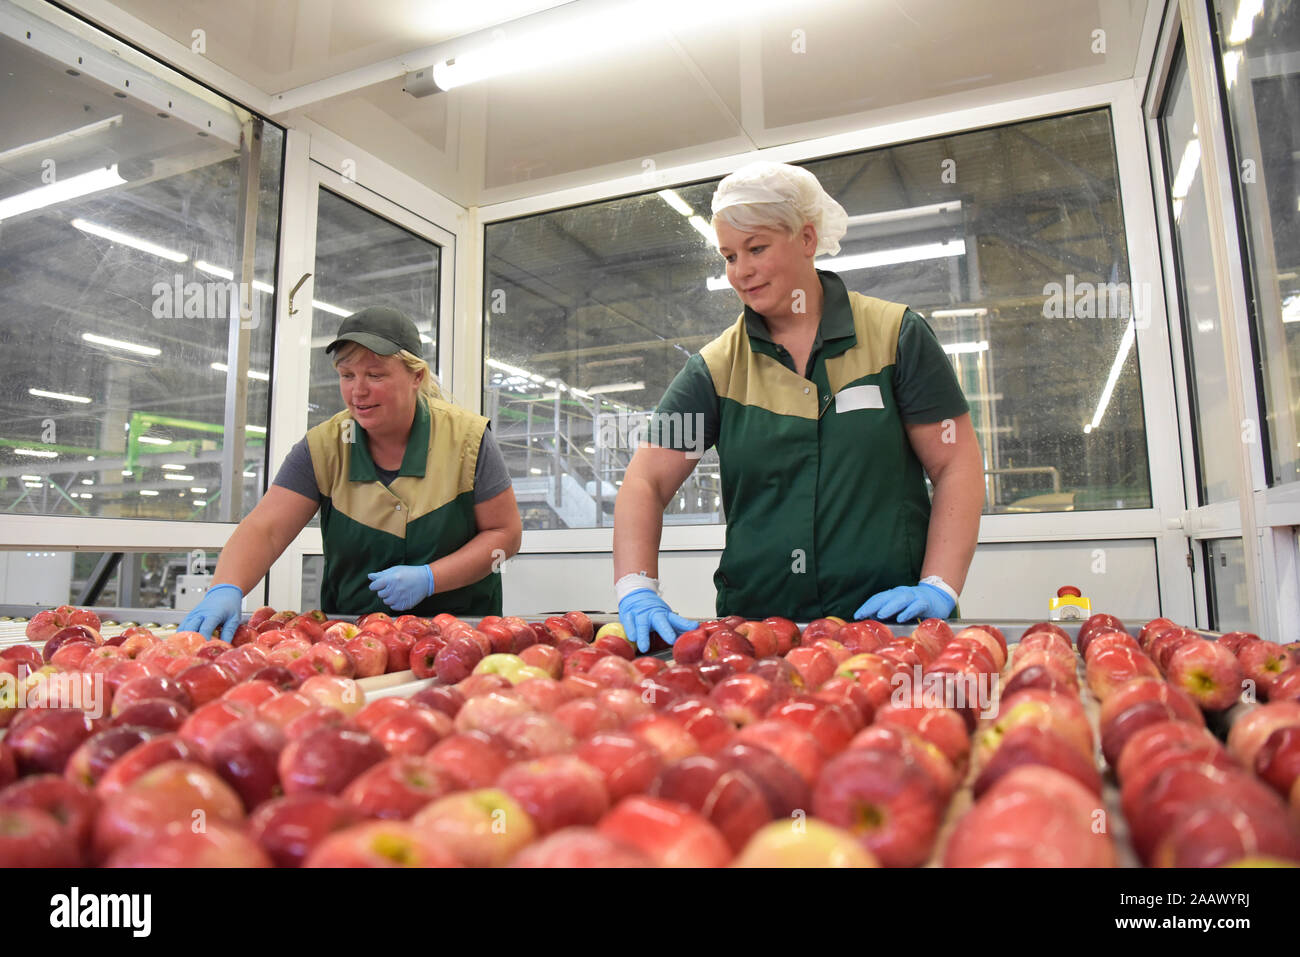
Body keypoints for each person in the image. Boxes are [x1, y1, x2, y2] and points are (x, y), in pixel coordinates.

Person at [613, 161, 985, 652]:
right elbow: (646, 480)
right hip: (760, 636)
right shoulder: (717, 368)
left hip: (889, 630)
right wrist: (637, 587)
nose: (740, 271)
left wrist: (939, 585)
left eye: (756, 248)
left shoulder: (895, 337)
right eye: (728, 255)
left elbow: (955, 461)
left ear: (806, 238)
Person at [180, 306, 522, 639]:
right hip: (353, 640)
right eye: (347, 375)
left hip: (459, 637)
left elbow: (504, 534)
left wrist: (432, 577)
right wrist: (226, 586)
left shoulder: (468, 440)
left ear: (417, 377)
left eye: (375, 375)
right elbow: (266, 529)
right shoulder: (324, 447)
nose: (358, 391)